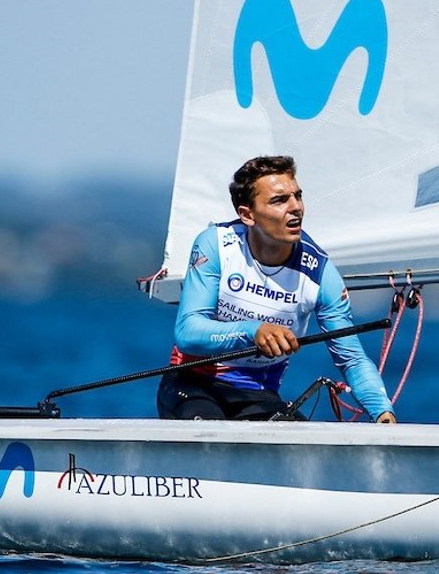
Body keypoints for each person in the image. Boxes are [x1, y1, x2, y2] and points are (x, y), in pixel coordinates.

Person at [158, 155, 397, 422]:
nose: (296, 207)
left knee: (304, 447)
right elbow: (188, 332)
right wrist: (253, 330)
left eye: (298, 196)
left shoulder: (320, 273)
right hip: (193, 385)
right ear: (247, 215)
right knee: (212, 434)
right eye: (279, 200)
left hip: (257, 395)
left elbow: (351, 358)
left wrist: (382, 411)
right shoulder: (215, 245)